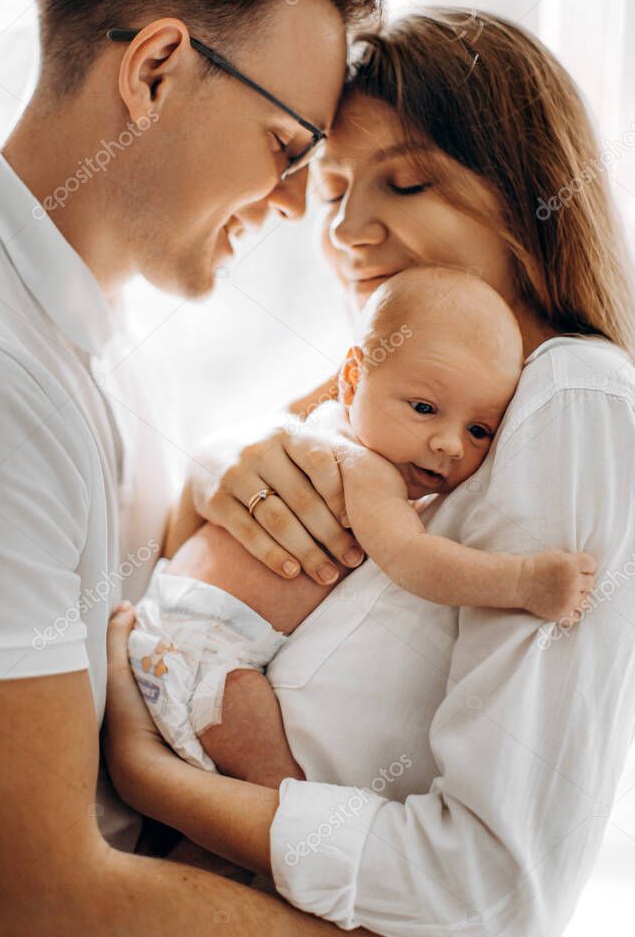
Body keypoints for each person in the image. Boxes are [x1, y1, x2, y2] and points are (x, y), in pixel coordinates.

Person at [104, 9, 635, 937]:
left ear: (528, 194)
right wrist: (221, 466)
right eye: (335, 187)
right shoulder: (395, 410)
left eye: (407, 181)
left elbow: (491, 890)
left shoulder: (572, 394)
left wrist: (161, 783)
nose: (346, 226)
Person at [0, 0, 389, 937]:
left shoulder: (108, 338)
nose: (297, 208)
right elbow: (23, 898)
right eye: (289, 149)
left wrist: (215, 483)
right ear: (153, 71)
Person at [127, 264, 596, 779]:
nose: (450, 443)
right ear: (352, 380)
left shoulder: (323, 438)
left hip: (171, 626)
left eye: (480, 430)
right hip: (204, 653)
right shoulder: (364, 470)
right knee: (277, 789)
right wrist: (524, 582)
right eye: (424, 407)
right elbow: (415, 562)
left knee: (210, 804)